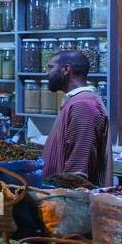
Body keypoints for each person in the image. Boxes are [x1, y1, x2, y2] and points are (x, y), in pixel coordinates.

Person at [42, 48, 111, 185]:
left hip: (68, 196)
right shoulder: (77, 101)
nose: (46, 73)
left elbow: (77, 174)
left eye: (50, 67)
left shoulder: (83, 105)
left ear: (66, 69)